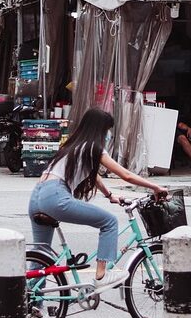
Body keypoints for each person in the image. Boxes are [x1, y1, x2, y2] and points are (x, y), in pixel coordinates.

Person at [29, 108, 168, 291]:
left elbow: (93, 175)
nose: (108, 135)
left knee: (41, 254)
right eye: (107, 130)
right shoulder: (93, 147)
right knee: (109, 222)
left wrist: (110, 195)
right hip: (55, 196)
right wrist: (155, 187)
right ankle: (101, 275)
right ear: (100, 129)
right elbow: (125, 175)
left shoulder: (72, 146)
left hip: (36, 197)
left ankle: (32, 305)